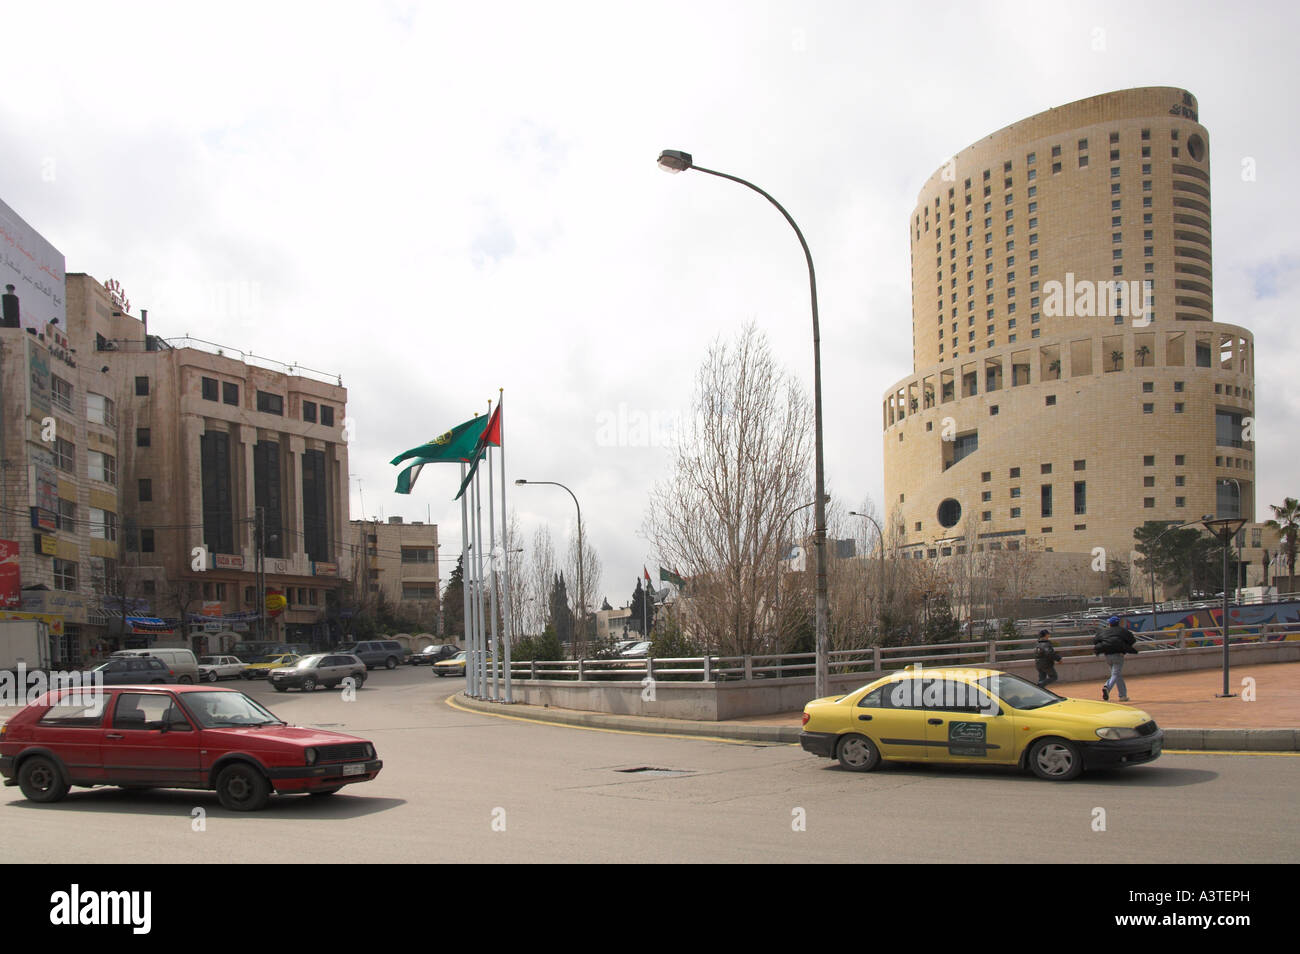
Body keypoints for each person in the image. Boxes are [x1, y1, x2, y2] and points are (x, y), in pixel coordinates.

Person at [1093, 615, 1137, 702]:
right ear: (1118, 623)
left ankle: (1123, 696)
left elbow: (1095, 640)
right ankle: (1107, 687)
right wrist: (1125, 647)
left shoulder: (1104, 631)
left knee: (1117, 675)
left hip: (1107, 655)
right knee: (1116, 674)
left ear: (1109, 623)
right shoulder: (1123, 631)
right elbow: (1132, 640)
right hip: (1118, 655)